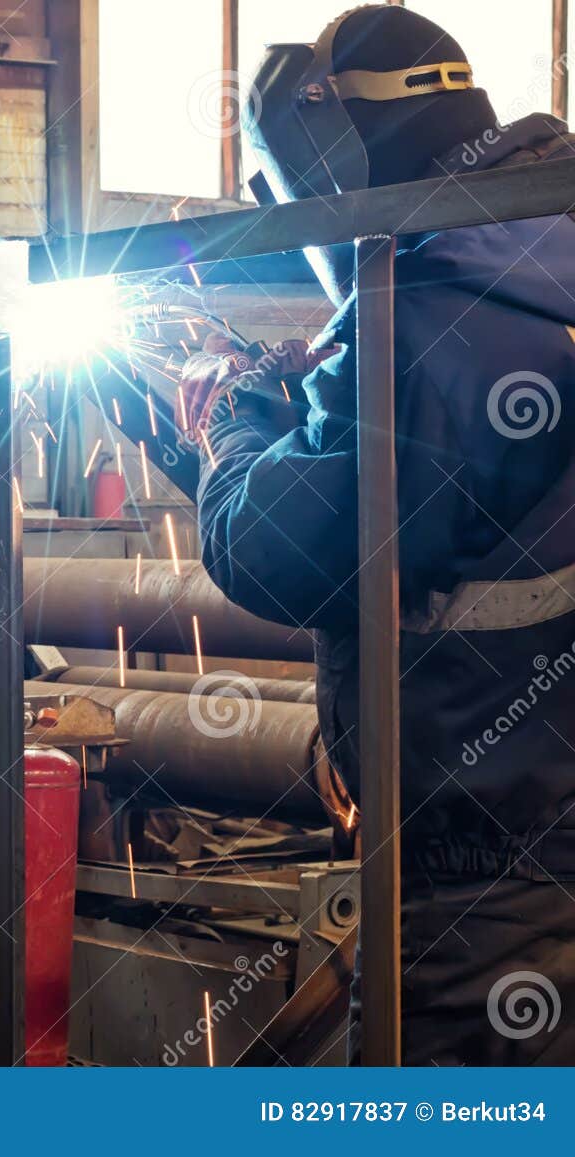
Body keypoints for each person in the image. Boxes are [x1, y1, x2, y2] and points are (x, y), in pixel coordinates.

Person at [185, 4, 575, 1064]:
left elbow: (280, 550)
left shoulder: (429, 307)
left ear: (329, 158)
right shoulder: (531, 260)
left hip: (481, 892)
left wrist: (228, 427)